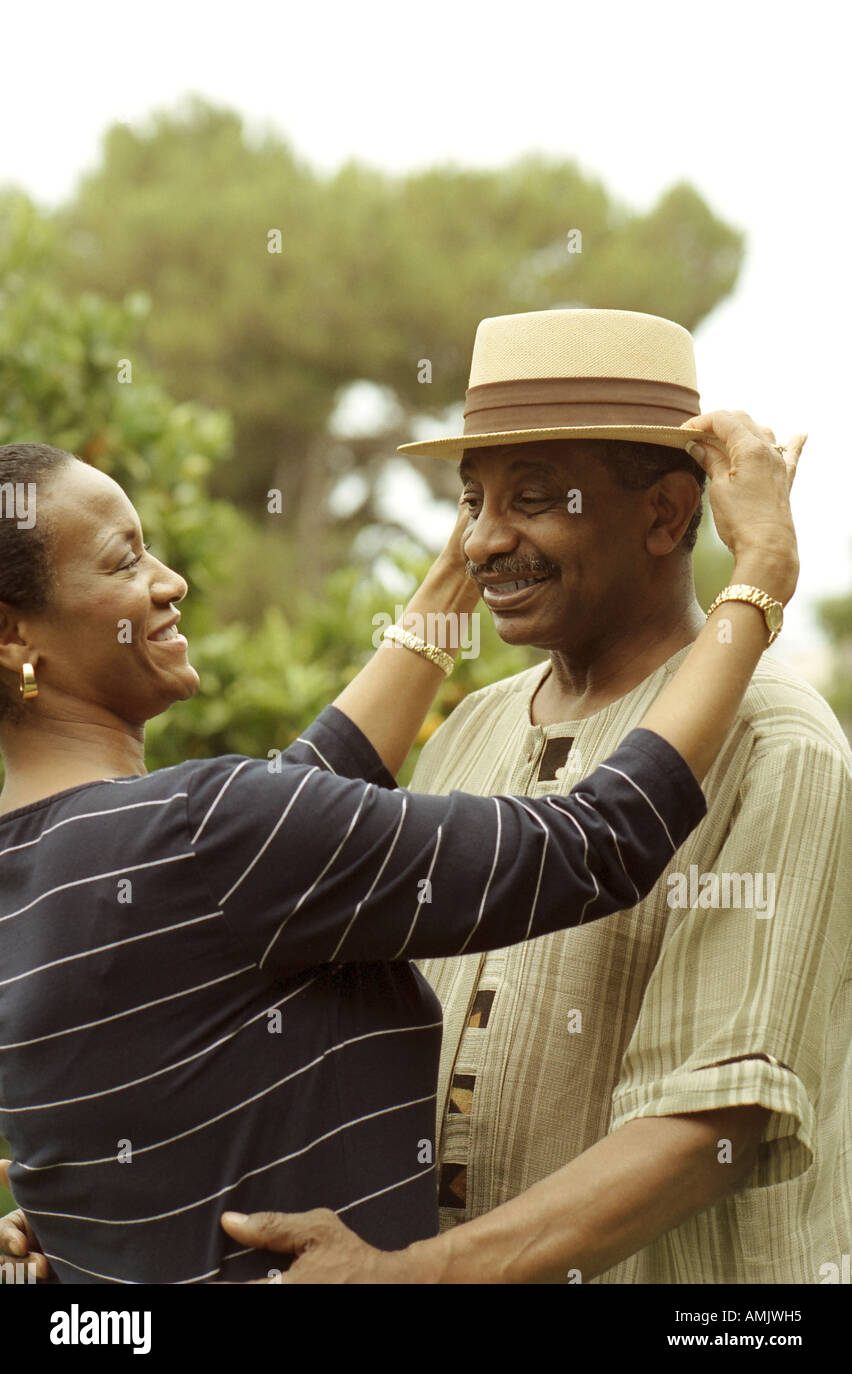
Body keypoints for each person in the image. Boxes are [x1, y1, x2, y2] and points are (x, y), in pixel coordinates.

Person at [0, 379, 801, 1284]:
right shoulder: (209, 833)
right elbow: (598, 842)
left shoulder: (49, 865)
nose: (169, 579)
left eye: (529, 499)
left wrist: (481, 541)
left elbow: (303, 793)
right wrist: (758, 577)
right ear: (12, 635)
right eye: (122, 561)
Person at [216, 308, 847, 1286]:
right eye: (471, 501)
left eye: (536, 498)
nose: (484, 540)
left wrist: (418, 1275)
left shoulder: (776, 745)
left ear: (668, 514)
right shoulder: (474, 728)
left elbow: (705, 1126)